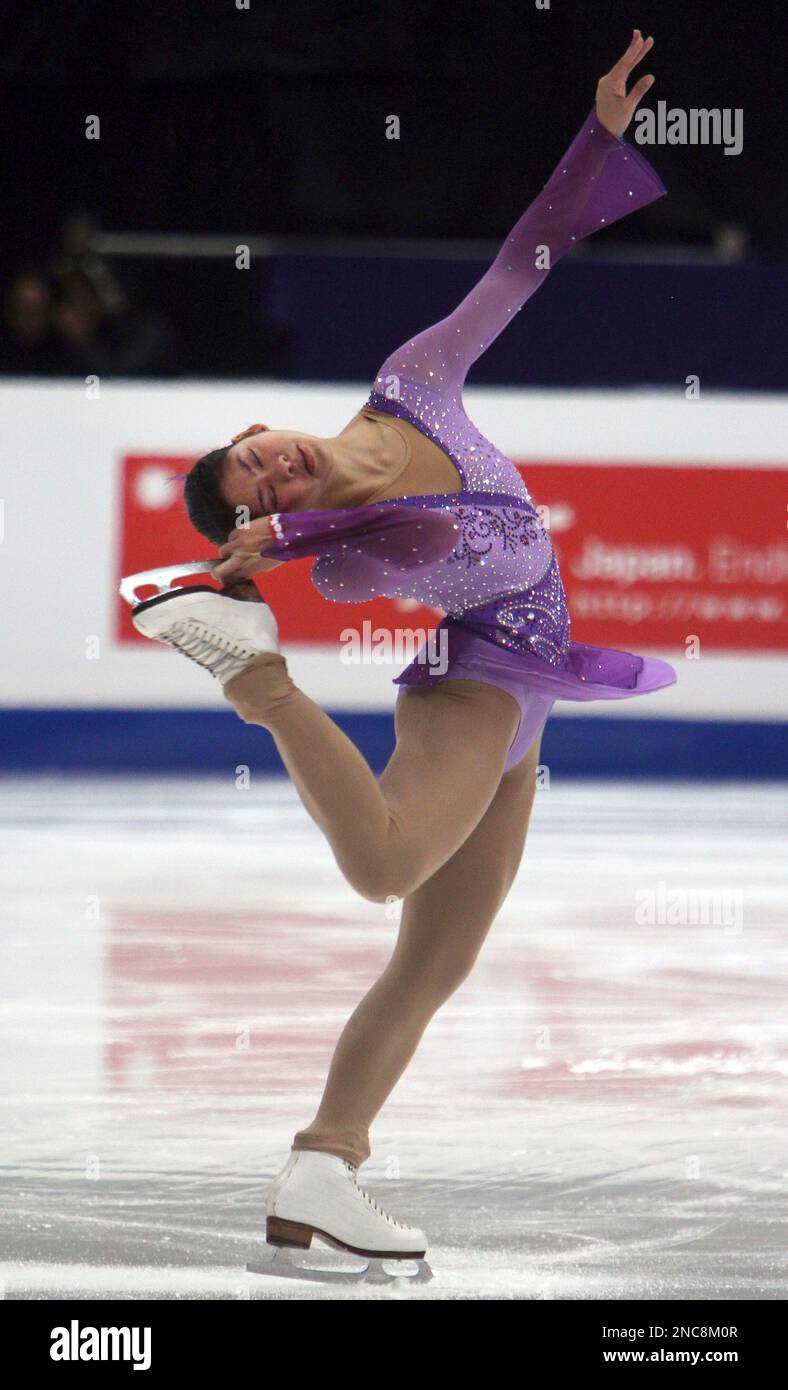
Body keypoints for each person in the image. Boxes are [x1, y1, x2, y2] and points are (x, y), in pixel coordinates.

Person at [130, 32, 675, 1280]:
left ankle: (321, 1175)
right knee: (383, 867)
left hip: (536, 684)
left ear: (265, 426)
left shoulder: (414, 378)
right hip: (484, 672)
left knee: (432, 961)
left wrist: (594, 138)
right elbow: (420, 532)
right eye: (248, 488)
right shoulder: (344, 560)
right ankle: (258, 685)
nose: (269, 467)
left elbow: (515, 270)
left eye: (253, 453)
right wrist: (288, 539)